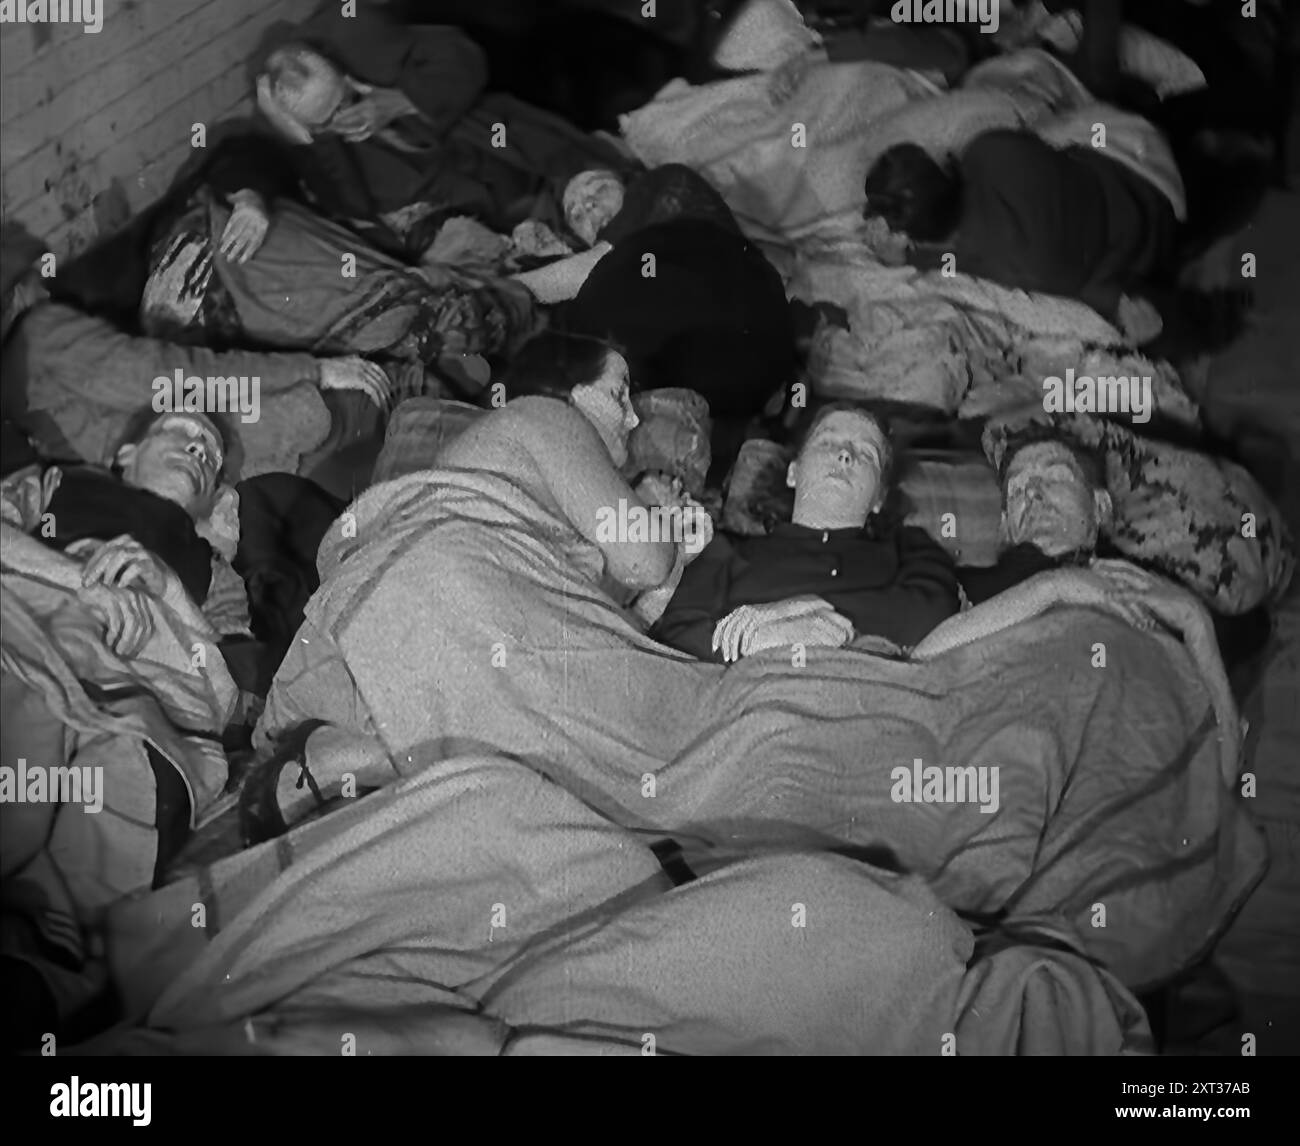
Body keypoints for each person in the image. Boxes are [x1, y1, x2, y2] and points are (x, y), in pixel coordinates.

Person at [438, 330, 712, 622]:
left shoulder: (556, 504)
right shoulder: (541, 415)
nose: (633, 419)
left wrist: (673, 564)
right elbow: (647, 563)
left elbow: (601, 631)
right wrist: (653, 524)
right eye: (618, 396)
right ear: (570, 394)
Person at [654, 402, 960, 662]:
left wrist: (796, 612)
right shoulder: (726, 549)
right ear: (793, 473)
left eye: (866, 454)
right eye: (827, 443)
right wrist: (765, 639)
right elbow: (678, 636)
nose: (845, 455)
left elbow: (933, 615)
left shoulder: (909, 546)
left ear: (879, 498)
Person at [861, 130, 1179, 341]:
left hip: (1152, 241)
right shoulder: (987, 146)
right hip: (1138, 172)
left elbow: (955, 262)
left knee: (1117, 306)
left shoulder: (999, 257)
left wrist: (910, 257)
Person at [957, 432, 1114, 606]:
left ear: (1100, 506)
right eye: (1017, 488)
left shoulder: (1129, 589)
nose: (1032, 491)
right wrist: (1051, 588)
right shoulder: (962, 594)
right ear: (1005, 526)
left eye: (1056, 477)